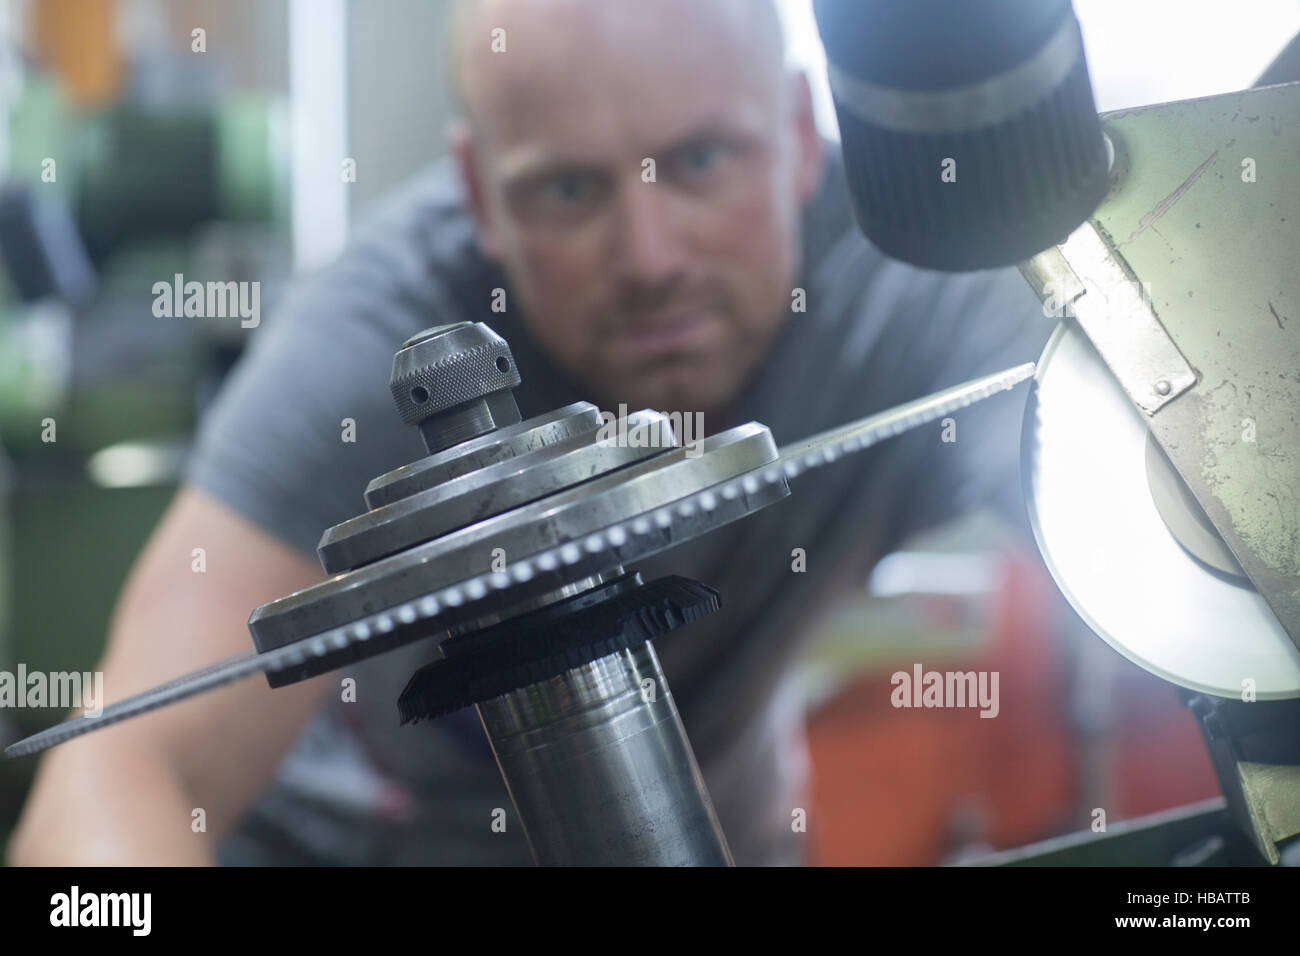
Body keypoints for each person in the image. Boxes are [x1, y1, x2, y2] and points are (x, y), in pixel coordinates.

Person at [10, 0, 1051, 866]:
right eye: (568, 188)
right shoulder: (373, 341)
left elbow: (1123, 491)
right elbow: (123, 767)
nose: (649, 257)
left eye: (701, 159)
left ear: (799, 133)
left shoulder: (911, 286)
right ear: (478, 194)